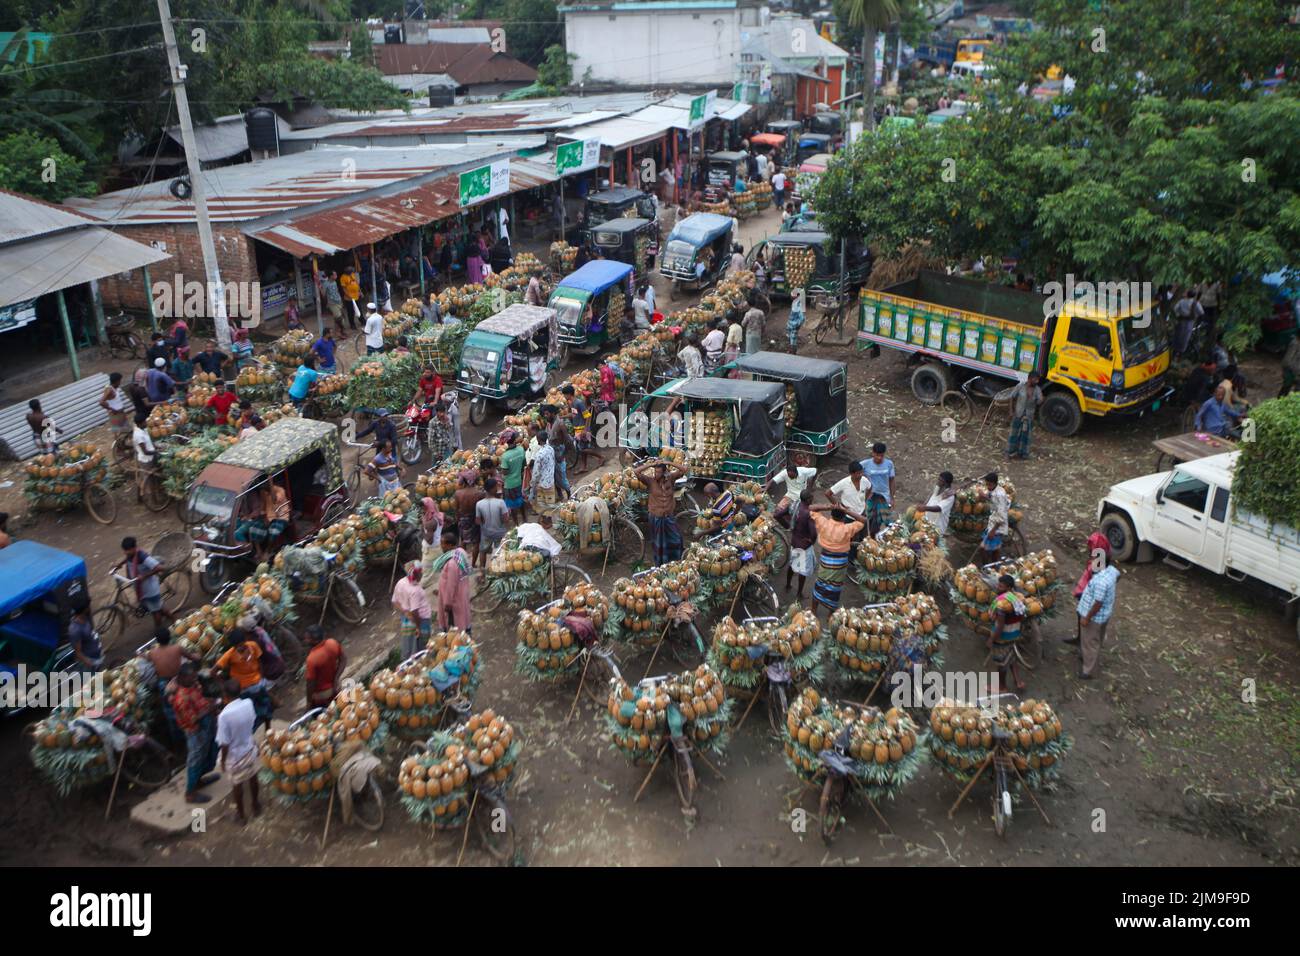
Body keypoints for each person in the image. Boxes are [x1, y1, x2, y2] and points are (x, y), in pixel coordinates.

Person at [170, 663, 219, 803]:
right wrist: (211, 708)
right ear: (183, 678)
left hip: (205, 726)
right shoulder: (181, 699)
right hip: (195, 732)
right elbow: (192, 719)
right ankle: (190, 793)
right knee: (196, 759)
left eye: (194, 677)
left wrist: (209, 703)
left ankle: (198, 780)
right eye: (191, 678)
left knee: (207, 753)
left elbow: (200, 700)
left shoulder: (191, 686)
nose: (194, 680)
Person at [809, 502, 867, 619]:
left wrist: (828, 506)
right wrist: (846, 511)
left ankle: (813, 610)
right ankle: (830, 614)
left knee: (820, 583)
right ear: (843, 517)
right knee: (835, 588)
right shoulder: (847, 528)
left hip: (825, 559)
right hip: (840, 562)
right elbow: (863, 520)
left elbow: (811, 508)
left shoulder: (824, 523)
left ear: (831, 514)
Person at [215, 677, 260, 824]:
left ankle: (241, 815)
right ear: (240, 691)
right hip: (249, 748)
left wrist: (222, 761)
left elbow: (224, 743)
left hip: (235, 756)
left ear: (225, 695)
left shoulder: (224, 716)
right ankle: (255, 805)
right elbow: (252, 722)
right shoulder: (248, 703)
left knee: (237, 784)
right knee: (253, 777)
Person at [1075, 549, 1120, 680]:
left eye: (1093, 559)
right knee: (1096, 639)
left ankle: (1088, 671)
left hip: (1094, 617)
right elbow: (1119, 575)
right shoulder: (1111, 571)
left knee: (1089, 642)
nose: (1091, 561)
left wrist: (1086, 618)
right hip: (1104, 615)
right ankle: (1088, 658)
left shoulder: (1100, 581)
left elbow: (1097, 603)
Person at [216, 627, 272, 728]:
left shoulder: (253, 646)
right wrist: (222, 685)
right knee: (251, 716)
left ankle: (268, 730)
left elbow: (259, 661)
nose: (241, 647)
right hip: (243, 690)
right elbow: (213, 671)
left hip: (258, 684)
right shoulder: (229, 655)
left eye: (242, 644)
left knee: (267, 708)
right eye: (238, 646)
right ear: (233, 646)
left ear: (245, 640)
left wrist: (262, 677)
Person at [635, 458, 687, 564]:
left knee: (676, 538)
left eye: (658, 472)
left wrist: (669, 462)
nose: (656, 474)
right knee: (658, 542)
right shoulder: (650, 481)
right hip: (656, 517)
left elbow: (684, 469)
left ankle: (676, 559)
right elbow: (636, 472)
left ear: (664, 473)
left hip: (668, 516)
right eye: (655, 472)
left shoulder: (671, 479)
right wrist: (651, 465)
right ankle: (661, 563)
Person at [114, 536, 171, 627]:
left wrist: (144, 576)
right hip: (142, 589)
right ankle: (172, 617)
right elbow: (127, 558)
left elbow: (160, 568)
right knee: (156, 608)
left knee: (155, 612)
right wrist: (120, 564)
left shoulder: (142, 557)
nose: (125, 552)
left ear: (133, 548)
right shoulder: (130, 555)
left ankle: (159, 628)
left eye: (127, 550)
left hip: (150, 590)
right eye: (124, 550)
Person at [989, 574, 1028, 691]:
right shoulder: (1016, 599)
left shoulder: (1001, 606)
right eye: (998, 585)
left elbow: (1000, 626)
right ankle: (1018, 681)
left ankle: (1002, 686)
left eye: (1001, 586)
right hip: (1014, 634)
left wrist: (991, 639)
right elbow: (1022, 617)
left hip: (1002, 637)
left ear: (1009, 588)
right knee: (1011, 656)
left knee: (1001, 662)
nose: (998, 588)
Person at [391, 561, 433, 657]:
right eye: (421, 573)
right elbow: (415, 611)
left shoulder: (401, 582)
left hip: (406, 619)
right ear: (417, 574)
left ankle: (408, 661)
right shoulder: (415, 590)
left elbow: (394, 601)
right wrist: (418, 626)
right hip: (420, 620)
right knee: (421, 646)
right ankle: (420, 662)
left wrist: (405, 612)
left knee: (408, 643)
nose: (422, 574)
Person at [435, 531, 472, 633]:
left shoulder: (452, 563)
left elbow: (451, 585)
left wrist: (447, 603)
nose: (441, 546)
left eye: (443, 543)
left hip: (454, 600)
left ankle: (457, 644)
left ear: (450, 545)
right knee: (463, 618)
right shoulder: (461, 552)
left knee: (454, 626)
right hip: (462, 595)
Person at [785, 488, 816, 600]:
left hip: (795, 542)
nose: (813, 499)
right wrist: (812, 540)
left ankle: (788, 585)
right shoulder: (808, 513)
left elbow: (778, 514)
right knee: (802, 570)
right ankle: (799, 593)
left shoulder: (795, 506)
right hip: (803, 545)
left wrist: (787, 526)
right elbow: (813, 533)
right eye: (811, 497)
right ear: (808, 500)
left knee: (792, 565)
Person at [861, 442, 896, 535]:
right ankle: (869, 539)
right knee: (869, 519)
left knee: (883, 520)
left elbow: (891, 481)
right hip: (870, 496)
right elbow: (855, 474)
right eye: (877, 455)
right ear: (873, 453)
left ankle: (875, 537)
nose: (879, 458)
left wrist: (892, 498)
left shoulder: (889, 464)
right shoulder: (865, 464)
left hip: (884, 497)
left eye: (881, 455)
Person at [1007, 372, 1044, 459]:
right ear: (1030, 379)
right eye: (1035, 379)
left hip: (1029, 415)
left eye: (1038, 380)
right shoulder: (1020, 386)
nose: (1037, 381)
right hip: (1018, 413)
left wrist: (1041, 400)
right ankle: (1009, 452)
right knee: (1014, 433)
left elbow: (1039, 401)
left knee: (1026, 436)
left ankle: (1023, 453)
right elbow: (1012, 397)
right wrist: (1011, 411)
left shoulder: (1037, 390)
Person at [476, 479, 510, 566]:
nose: (497, 489)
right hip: (500, 532)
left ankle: (482, 571)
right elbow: (506, 519)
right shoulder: (500, 502)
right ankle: (500, 570)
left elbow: (477, 521)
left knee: (482, 551)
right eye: (496, 487)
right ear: (492, 489)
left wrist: (485, 524)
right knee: (500, 551)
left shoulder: (479, 504)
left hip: (486, 532)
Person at [979, 472, 1010, 563]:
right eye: (987, 484)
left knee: (983, 548)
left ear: (995, 483)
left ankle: (987, 566)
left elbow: (1002, 515)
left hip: (998, 525)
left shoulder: (1000, 495)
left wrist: (993, 530)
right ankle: (993, 565)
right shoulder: (997, 489)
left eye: (989, 484)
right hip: (993, 521)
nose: (988, 487)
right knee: (995, 548)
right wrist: (985, 496)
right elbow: (992, 498)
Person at [545, 406, 574, 500]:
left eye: (547, 414)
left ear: (553, 413)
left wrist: (563, 455)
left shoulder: (560, 424)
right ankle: (560, 494)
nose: (545, 416)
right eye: (545, 414)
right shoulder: (549, 424)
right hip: (551, 452)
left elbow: (568, 441)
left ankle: (569, 494)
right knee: (553, 475)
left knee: (562, 475)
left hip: (559, 452)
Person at [914, 471, 956, 535]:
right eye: (938, 479)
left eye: (941, 480)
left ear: (946, 483)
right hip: (927, 523)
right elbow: (931, 497)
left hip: (937, 527)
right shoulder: (938, 488)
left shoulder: (949, 497)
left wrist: (924, 508)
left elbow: (939, 508)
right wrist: (924, 505)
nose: (938, 482)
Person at [67, 598, 103, 672]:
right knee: (96, 682)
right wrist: (90, 664)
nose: (90, 607)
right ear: (85, 610)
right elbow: (78, 652)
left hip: (97, 656)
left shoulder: (84, 619)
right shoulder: (75, 630)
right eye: (88, 607)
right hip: (90, 662)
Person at [500, 432, 527, 525]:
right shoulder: (520, 449)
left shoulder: (505, 456)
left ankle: (517, 524)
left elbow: (505, 471)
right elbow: (524, 463)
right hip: (519, 481)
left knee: (512, 505)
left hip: (509, 484)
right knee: (521, 501)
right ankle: (525, 519)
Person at [130, 411, 158, 500]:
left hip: (150, 457)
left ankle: (140, 498)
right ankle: (154, 501)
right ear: (139, 424)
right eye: (144, 422)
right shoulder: (138, 435)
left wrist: (156, 446)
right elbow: (145, 451)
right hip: (146, 460)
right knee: (150, 481)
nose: (146, 423)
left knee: (145, 478)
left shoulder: (143, 429)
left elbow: (149, 442)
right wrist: (157, 452)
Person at [530, 431, 558, 510]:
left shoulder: (539, 454)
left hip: (542, 483)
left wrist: (532, 484)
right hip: (551, 480)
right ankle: (548, 519)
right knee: (550, 502)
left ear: (539, 439)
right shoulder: (551, 449)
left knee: (543, 505)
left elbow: (536, 472)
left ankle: (545, 519)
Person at [1173, 290, 1204, 356]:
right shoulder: (1196, 303)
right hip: (1190, 321)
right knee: (1186, 337)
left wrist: (1178, 315)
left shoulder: (1181, 301)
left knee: (1178, 335)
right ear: (1194, 296)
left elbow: (1175, 309)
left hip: (1180, 320)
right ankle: (1181, 352)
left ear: (1187, 295)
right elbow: (1201, 312)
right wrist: (1197, 317)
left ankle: (1175, 351)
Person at [101, 372, 130, 443]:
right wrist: (111, 409)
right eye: (119, 381)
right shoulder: (109, 389)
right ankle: (119, 449)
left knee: (125, 431)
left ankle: (124, 446)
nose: (120, 383)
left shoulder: (114, 388)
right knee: (117, 434)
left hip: (120, 413)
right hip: (115, 415)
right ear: (116, 381)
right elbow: (101, 402)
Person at [427, 401, 454, 466]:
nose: (442, 414)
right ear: (436, 412)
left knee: (449, 468)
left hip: (446, 449)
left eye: (443, 412)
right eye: (440, 412)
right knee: (436, 470)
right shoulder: (432, 423)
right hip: (437, 451)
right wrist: (436, 454)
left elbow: (450, 430)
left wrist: (446, 422)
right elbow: (431, 441)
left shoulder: (446, 419)